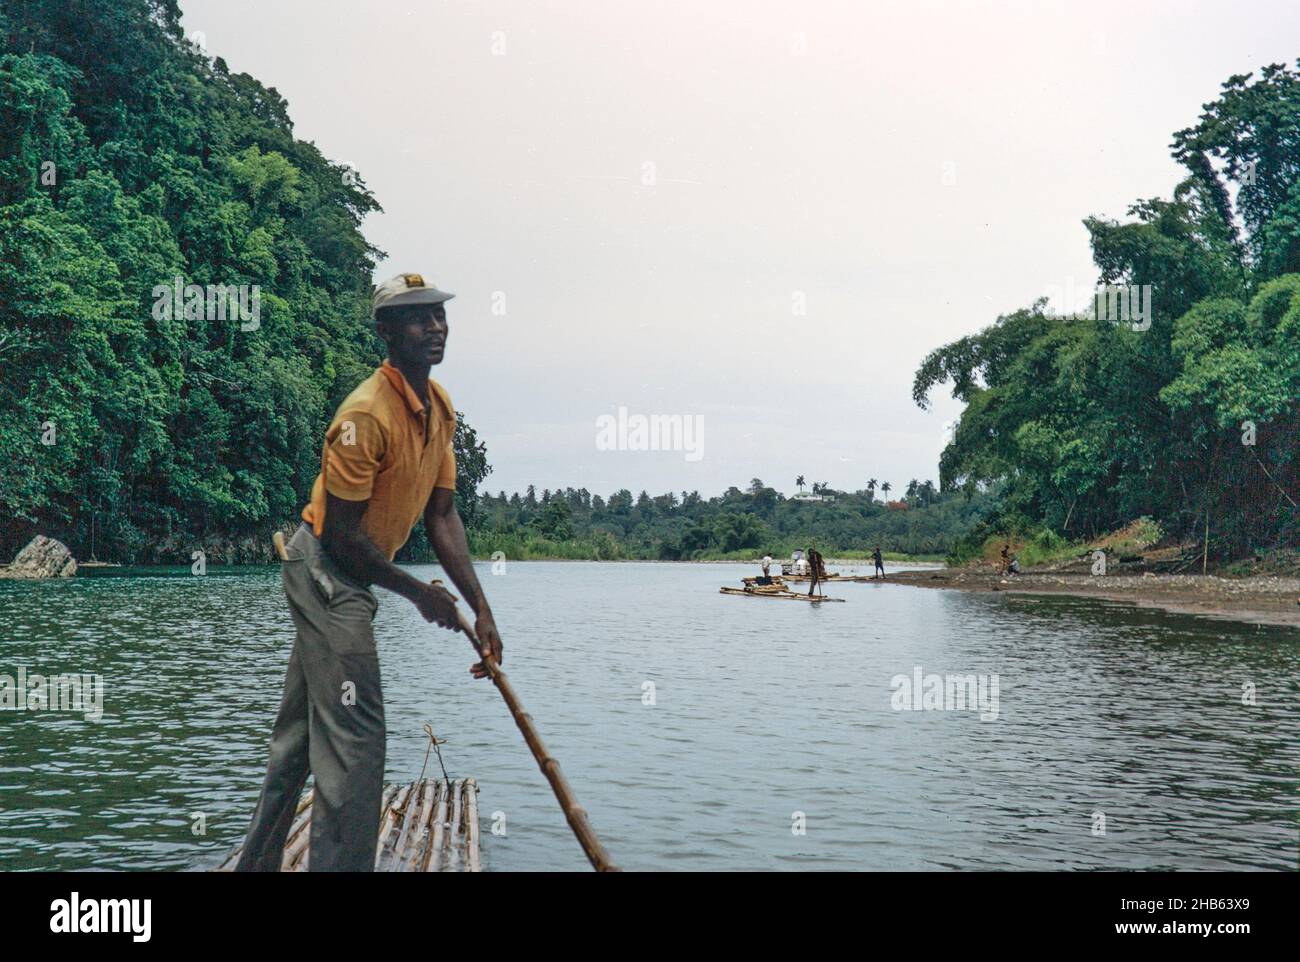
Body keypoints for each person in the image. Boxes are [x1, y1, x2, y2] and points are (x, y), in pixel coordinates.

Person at [236, 272, 503, 872]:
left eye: (438, 315)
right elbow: (343, 541)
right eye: (417, 318)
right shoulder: (365, 416)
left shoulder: (437, 407)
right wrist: (418, 593)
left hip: (349, 568)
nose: (435, 327)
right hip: (326, 572)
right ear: (385, 331)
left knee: (301, 742)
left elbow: (443, 514)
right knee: (356, 738)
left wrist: (481, 608)